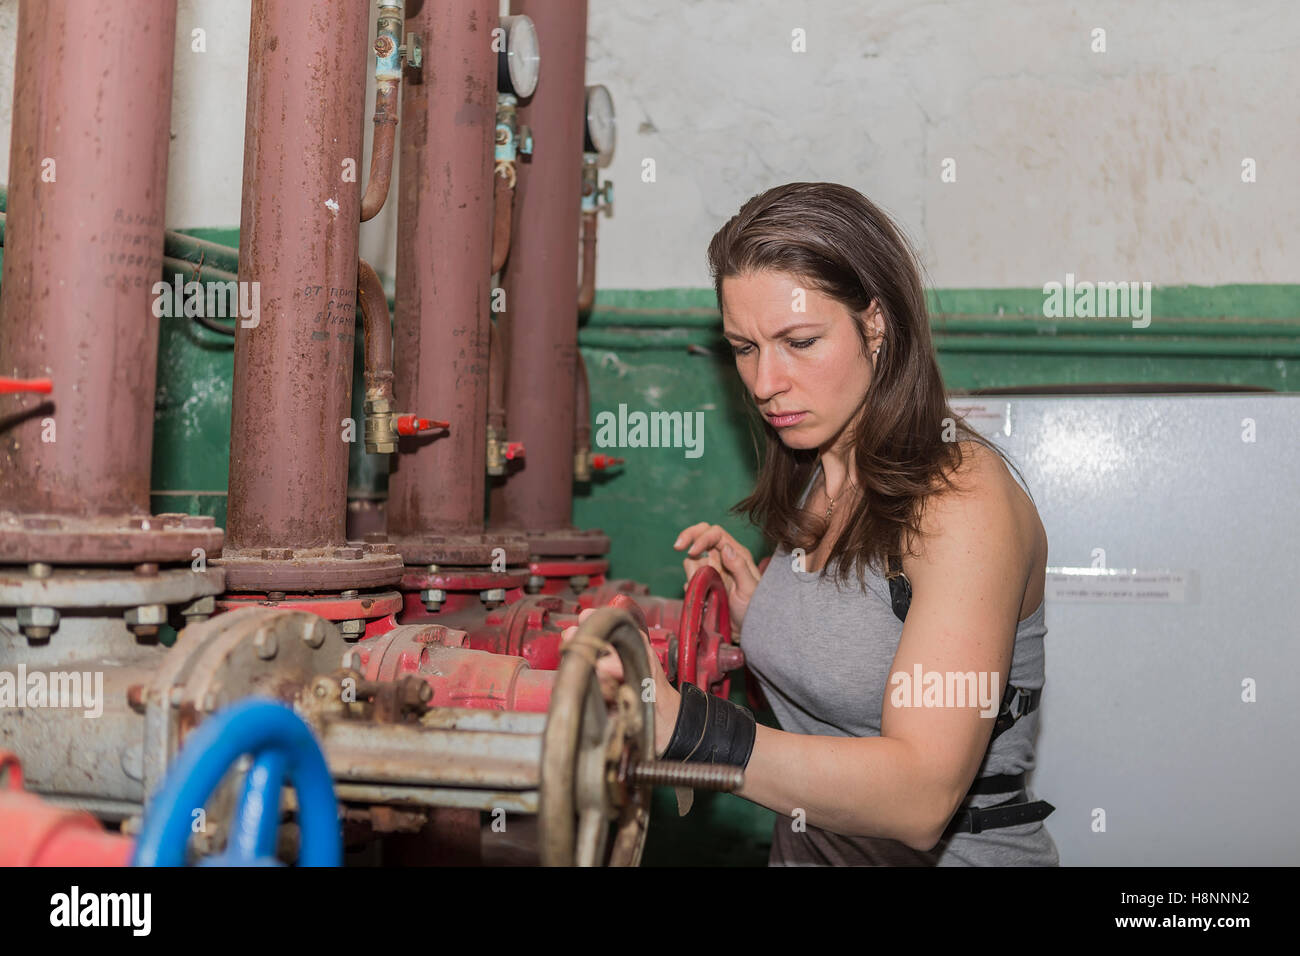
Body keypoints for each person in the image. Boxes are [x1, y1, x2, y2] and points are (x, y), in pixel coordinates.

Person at [563, 182, 1058, 866]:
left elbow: (919, 798)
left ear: (875, 324)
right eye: (743, 347)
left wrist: (691, 728)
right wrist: (758, 623)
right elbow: (839, 714)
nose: (766, 381)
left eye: (799, 341)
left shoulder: (960, 500)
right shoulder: (816, 480)